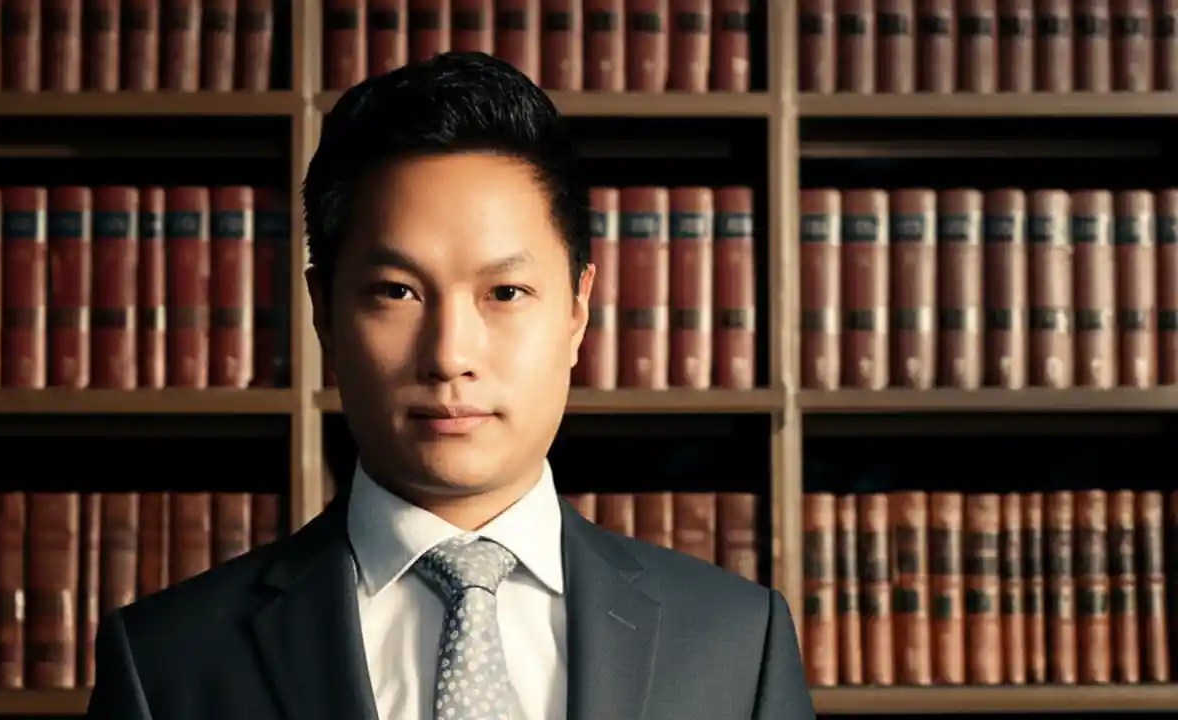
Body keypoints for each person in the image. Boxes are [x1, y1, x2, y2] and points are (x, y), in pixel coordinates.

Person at [86, 51, 814, 720]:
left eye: (505, 293)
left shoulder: (738, 643)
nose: (450, 356)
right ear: (325, 316)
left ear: (577, 310)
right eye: (398, 292)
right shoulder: (167, 662)